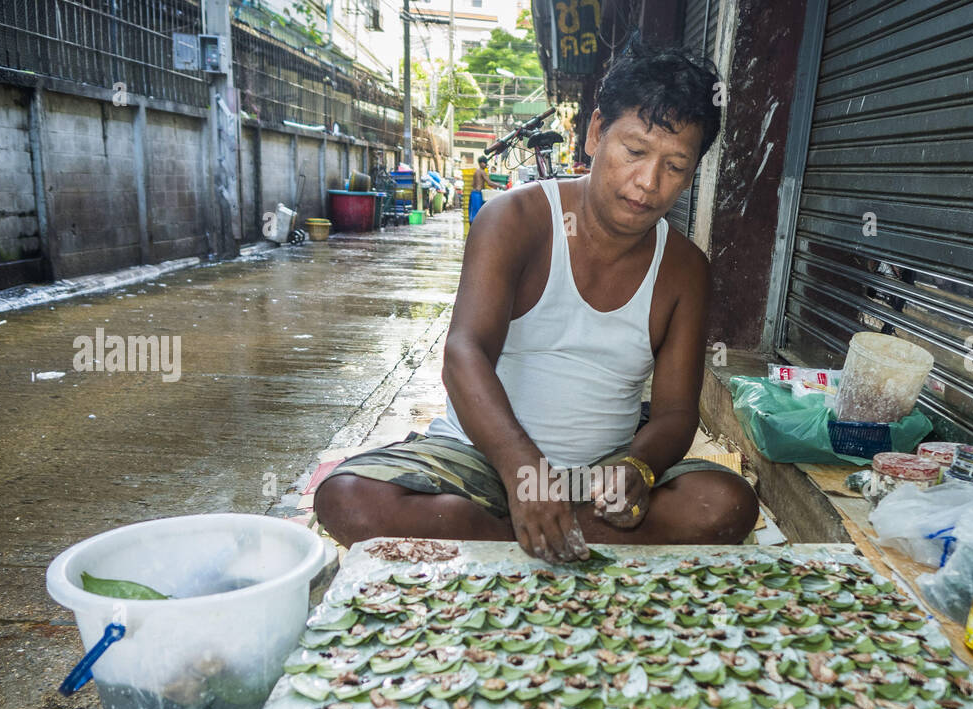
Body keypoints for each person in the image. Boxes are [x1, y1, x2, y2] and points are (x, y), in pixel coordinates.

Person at [316, 34, 759, 562]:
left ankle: (519, 537)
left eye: (675, 166)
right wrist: (525, 476)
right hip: (481, 460)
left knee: (725, 503)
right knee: (349, 498)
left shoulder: (684, 269)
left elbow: (675, 411)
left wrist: (637, 467)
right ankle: (552, 533)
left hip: (601, 477)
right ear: (596, 134)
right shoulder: (514, 220)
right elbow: (464, 354)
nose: (647, 182)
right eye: (635, 151)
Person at [469, 158, 500, 224]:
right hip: (477, 194)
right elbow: (489, 182)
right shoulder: (481, 171)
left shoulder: (477, 171)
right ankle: (476, 229)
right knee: (477, 213)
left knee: (474, 212)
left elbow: (473, 183)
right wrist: (500, 186)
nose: (486, 165)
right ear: (480, 163)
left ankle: (474, 228)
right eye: (485, 163)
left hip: (474, 193)